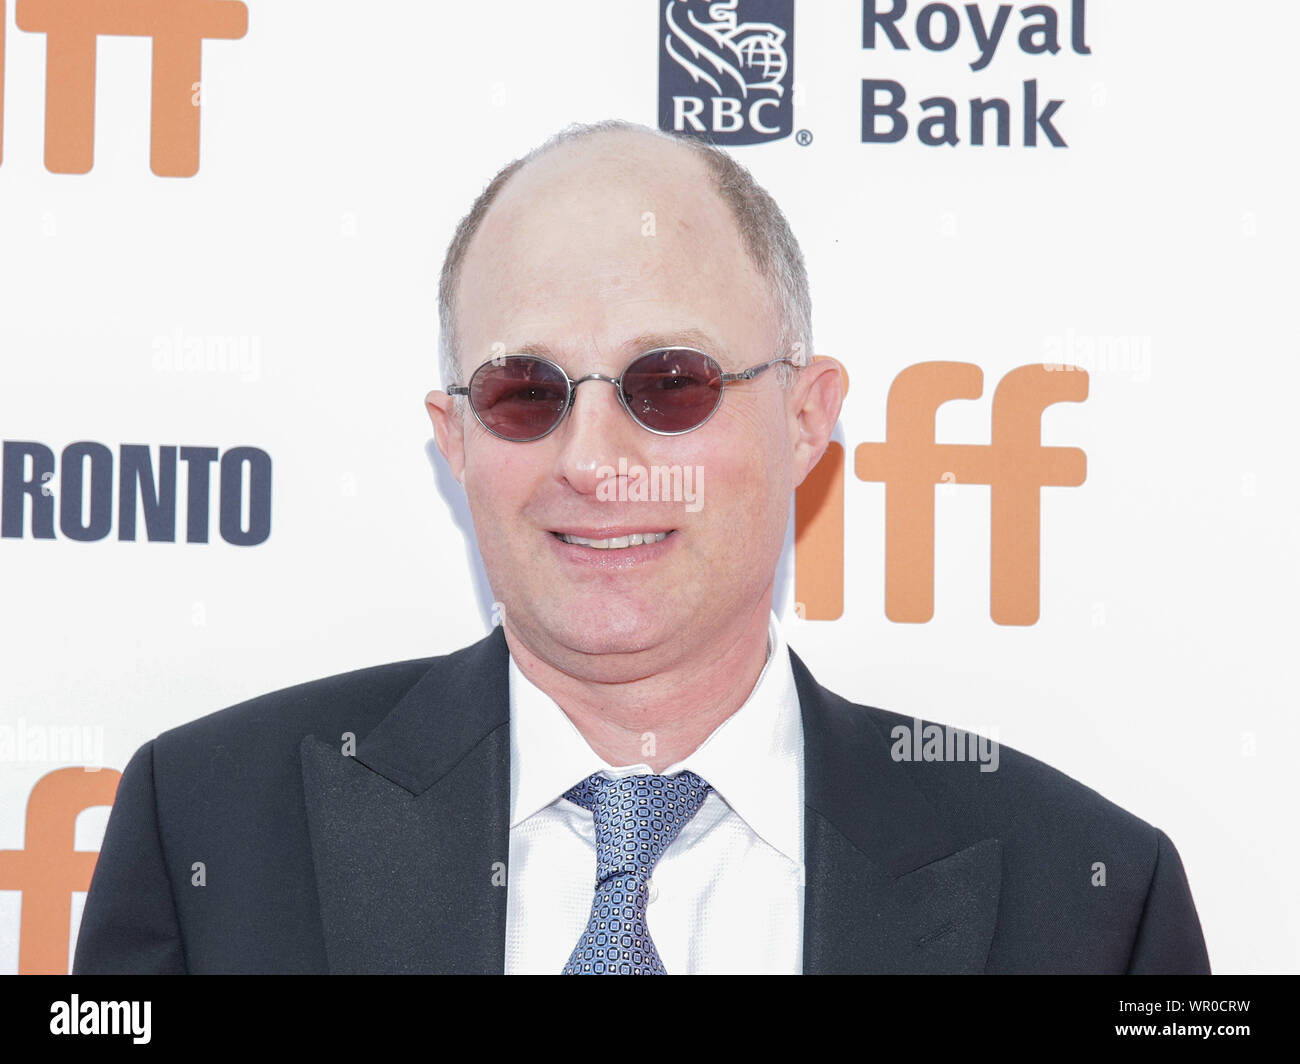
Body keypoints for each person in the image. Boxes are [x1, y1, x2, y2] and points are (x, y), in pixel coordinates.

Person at [73, 119, 1210, 974]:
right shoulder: (211, 824)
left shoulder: (1089, 901)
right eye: (526, 391)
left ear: (808, 413)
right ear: (454, 437)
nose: (597, 459)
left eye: (672, 382)